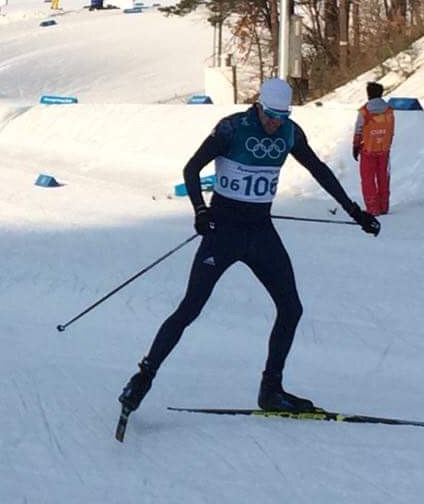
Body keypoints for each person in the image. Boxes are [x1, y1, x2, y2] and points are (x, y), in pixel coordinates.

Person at [118, 78, 381, 419]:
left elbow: (319, 170)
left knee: (291, 308)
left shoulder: (289, 132)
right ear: (258, 106)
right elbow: (192, 168)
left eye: (281, 116)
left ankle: (271, 389)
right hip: (223, 233)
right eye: (270, 115)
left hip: (260, 233)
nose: (275, 123)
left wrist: (355, 212)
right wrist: (200, 210)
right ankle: (143, 378)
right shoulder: (232, 129)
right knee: (190, 309)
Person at [353, 82, 394, 216]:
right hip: (384, 150)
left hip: (368, 150)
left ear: (369, 94)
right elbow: (391, 130)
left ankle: (372, 208)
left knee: (368, 179)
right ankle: (384, 206)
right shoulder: (389, 111)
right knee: (383, 177)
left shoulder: (364, 111)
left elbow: (358, 130)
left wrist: (355, 146)